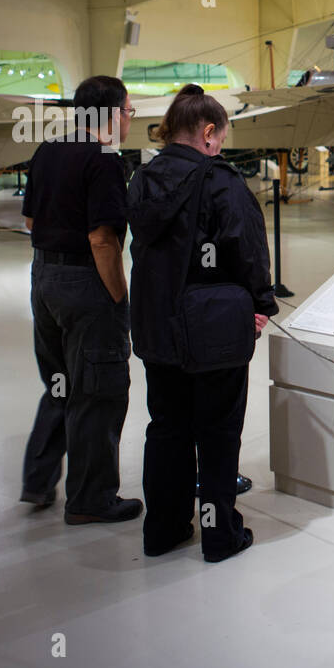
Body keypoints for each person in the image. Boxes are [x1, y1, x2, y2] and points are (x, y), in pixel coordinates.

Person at [127, 84, 277, 563]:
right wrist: (261, 303)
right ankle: (219, 535)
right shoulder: (221, 182)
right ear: (209, 133)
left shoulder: (143, 179)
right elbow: (248, 250)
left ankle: (164, 530)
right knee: (216, 430)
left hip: (156, 326)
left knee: (166, 428)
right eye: (222, 137)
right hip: (212, 329)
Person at [20, 76, 143, 525]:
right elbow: (102, 237)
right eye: (129, 111)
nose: (130, 120)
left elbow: (31, 218)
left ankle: (37, 481)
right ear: (111, 113)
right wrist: (117, 296)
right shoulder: (105, 159)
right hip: (85, 283)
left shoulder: (48, 150)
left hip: (43, 277)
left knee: (60, 383)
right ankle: (91, 499)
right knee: (97, 390)